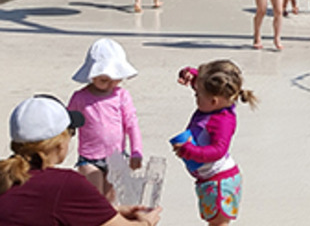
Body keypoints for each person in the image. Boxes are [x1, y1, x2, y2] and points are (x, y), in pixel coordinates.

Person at [0, 95, 161, 225]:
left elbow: (38, 208)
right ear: (59, 143)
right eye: (71, 132)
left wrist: (110, 211)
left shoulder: (6, 175)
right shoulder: (65, 183)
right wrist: (147, 221)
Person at [174, 61, 257, 225]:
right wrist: (189, 73)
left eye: (197, 96)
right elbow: (204, 84)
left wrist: (189, 151)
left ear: (213, 101)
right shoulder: (215, 103)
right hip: (210, 178)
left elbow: (218, 150)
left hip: (220, 181)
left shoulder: (222, 121)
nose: (196, 96)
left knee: (218, 223)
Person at [67, 39, 143, 201]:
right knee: (94, 199)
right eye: (104, 80)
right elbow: (68, 125)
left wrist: (137, 151)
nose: (110, 84)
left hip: (116, 157)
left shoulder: (121, 96)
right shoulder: (80, 98)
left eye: (115, 79)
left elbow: (131, 124)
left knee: (109, 203)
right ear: (91, 75)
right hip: (89, 158)